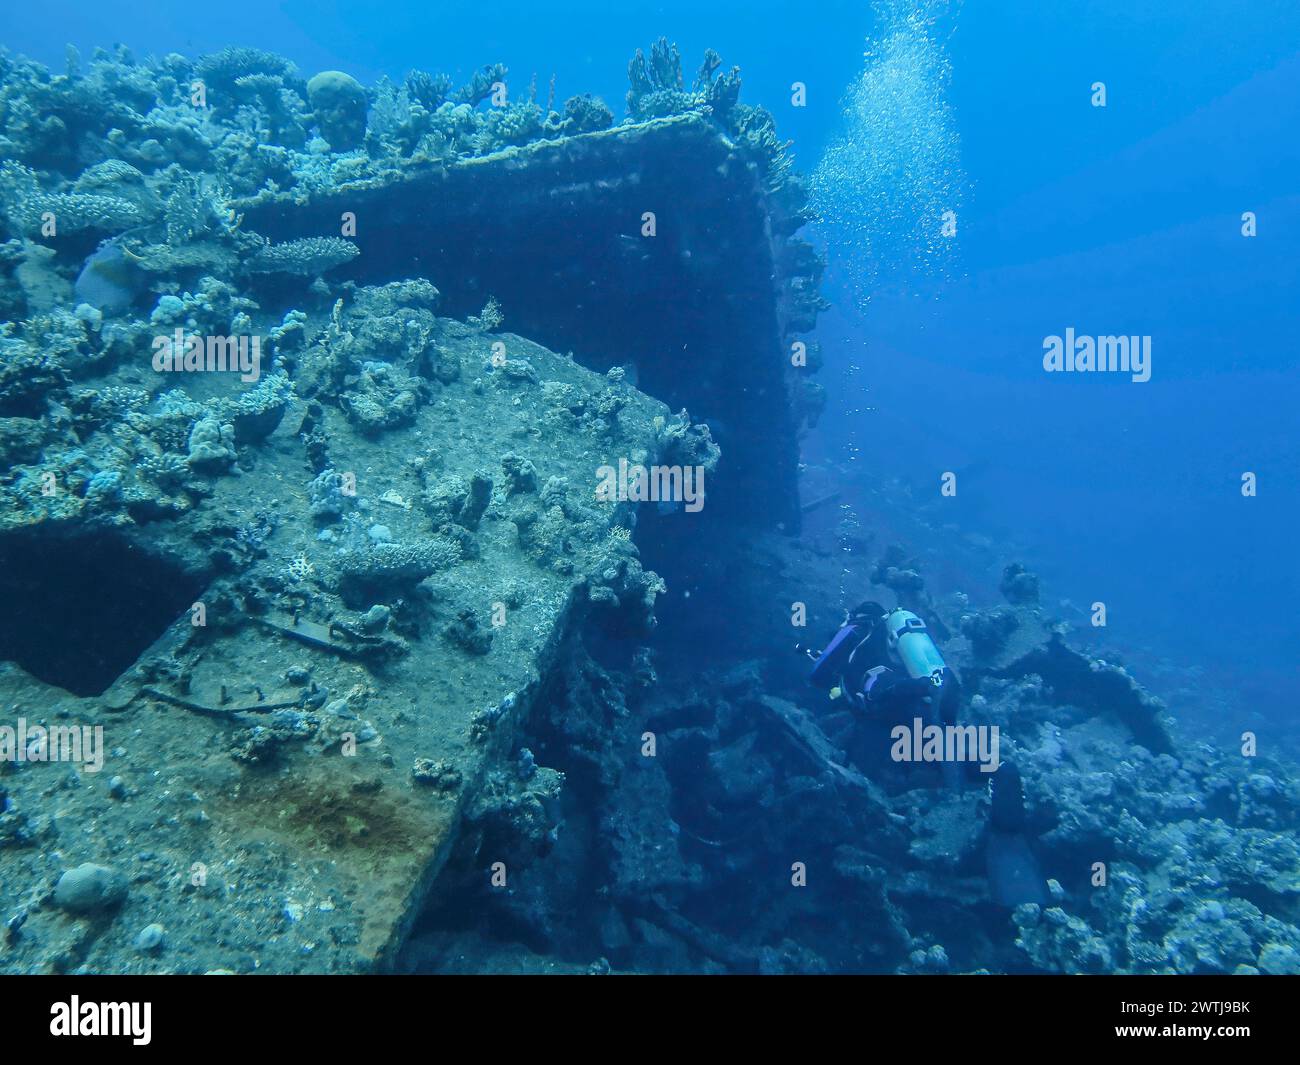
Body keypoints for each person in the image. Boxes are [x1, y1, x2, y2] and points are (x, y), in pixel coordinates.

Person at [804, 601, 958, 720]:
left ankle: (928, 685)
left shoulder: (855, 627)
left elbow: (817, 673)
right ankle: (934, 683)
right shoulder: (885, 633)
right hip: (910, 698)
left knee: (877, 685)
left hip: (880, 688)